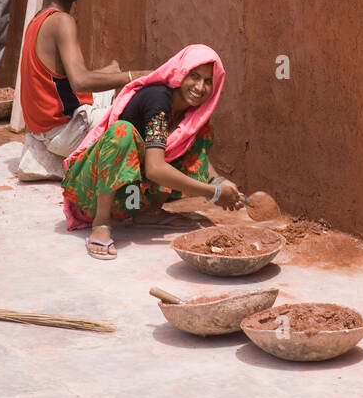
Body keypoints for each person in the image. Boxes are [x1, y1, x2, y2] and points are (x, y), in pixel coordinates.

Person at [62, 44, 244, 259]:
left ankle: (149, 213)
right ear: (181, 74)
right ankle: (101, 224)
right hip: (92, 192)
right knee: (123, 132)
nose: (200, 87)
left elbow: (194, 152)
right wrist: (212, 194)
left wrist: (218, 182)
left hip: (130, 198)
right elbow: (155, 169)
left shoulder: (189, 113)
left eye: (207, 81)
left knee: (197, 131)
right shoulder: (158, 99)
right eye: (194, 76)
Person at [17, 0, 148, 181]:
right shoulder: (62, 22)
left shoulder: (39, 20)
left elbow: (63, 82)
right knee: (146, 113)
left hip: (45, 130)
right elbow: (80, 81)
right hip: (63, 133)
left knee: (115, 83)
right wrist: (134, 76)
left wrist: (110, 73)